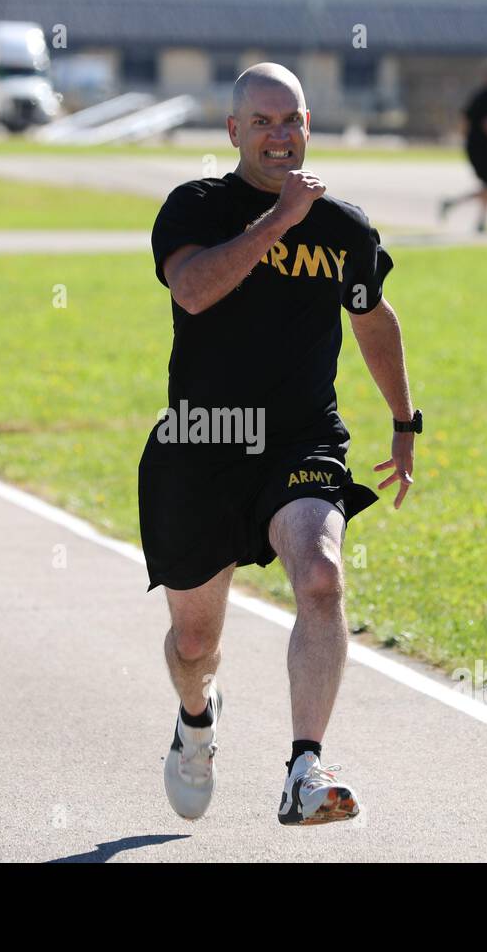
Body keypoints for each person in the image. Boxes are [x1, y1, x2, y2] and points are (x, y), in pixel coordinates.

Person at [140, 63, 419, 825]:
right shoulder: (196, 207)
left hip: (302, 438)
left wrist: (403, 421)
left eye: (291, 120)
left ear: (307, 128)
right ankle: (196, 719)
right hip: (204, 445)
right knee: (194, 644)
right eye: (262, 122)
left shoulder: (345, 227)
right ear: (233, 132)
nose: (279, 135)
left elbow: (372, 316)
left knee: (322, 576)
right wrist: (277, 223)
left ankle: (305, 769)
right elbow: (194, 290)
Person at [440, 57, 487, 234]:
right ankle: (453, 204)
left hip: (479, 145)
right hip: (479, 146)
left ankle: (481, 221)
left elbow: (466, 118)